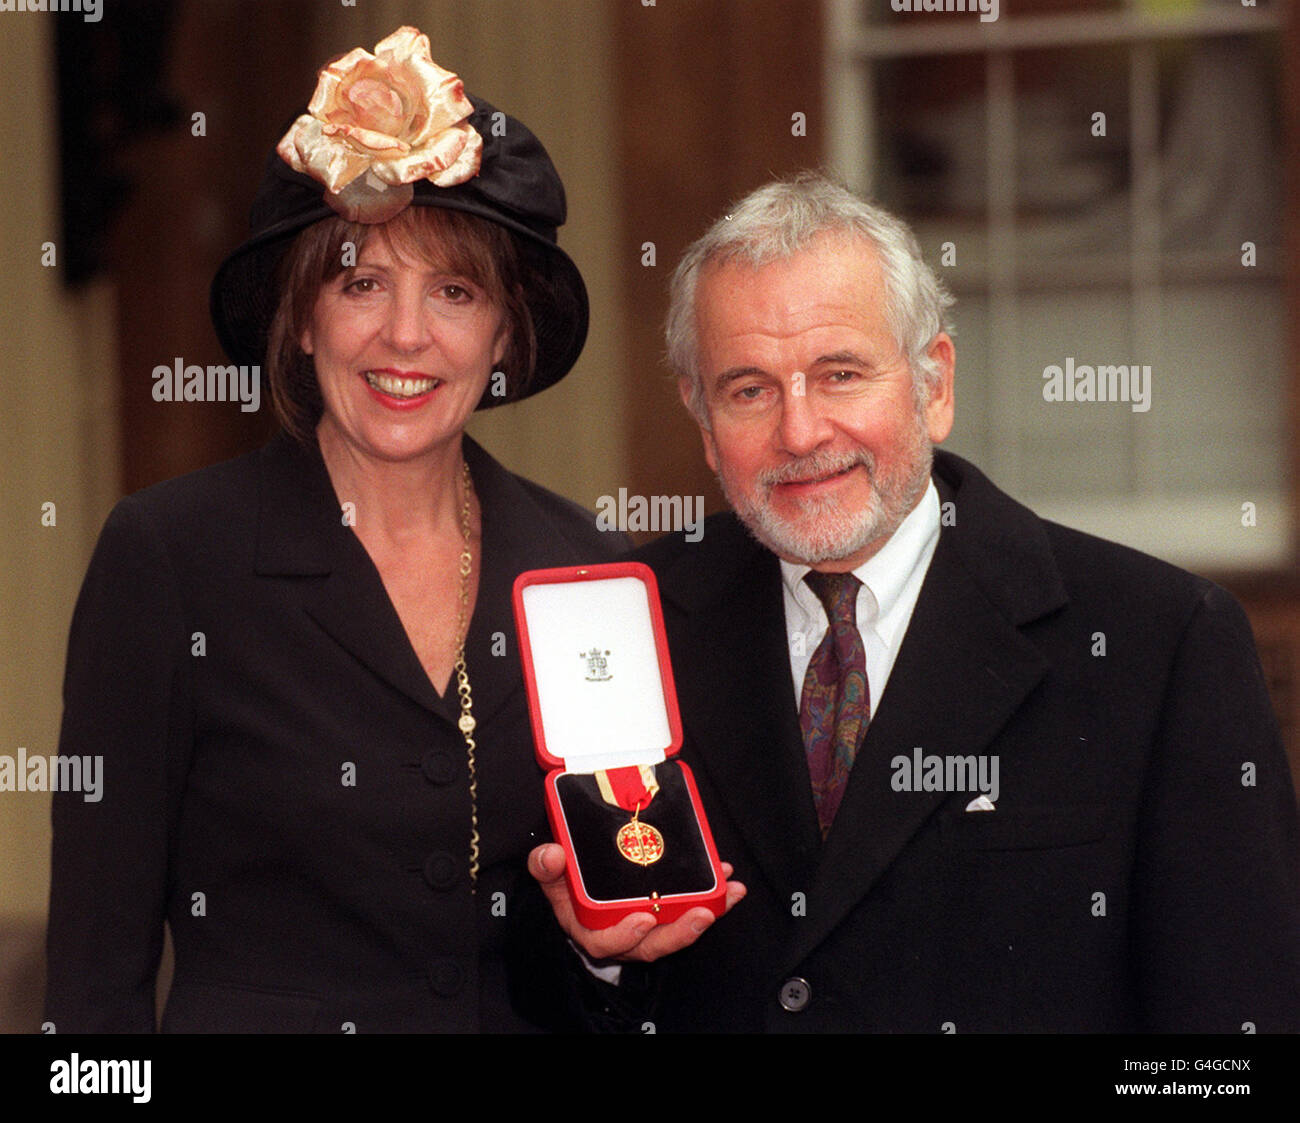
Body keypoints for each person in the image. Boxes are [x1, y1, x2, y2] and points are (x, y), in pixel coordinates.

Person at [531, 172, 1300, 1032]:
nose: (800, 431)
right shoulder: (626, 624)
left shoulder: (1159, 642)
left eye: (840, 373)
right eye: (750, 389)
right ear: (705, 423)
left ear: (934, 383)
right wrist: (599, 951)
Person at [44, 27, 625, 1033]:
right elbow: (95, 974)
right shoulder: (171, 558)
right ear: (301, 318)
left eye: (454, 291)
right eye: (361, 283)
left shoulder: (588, 571)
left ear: (501, 335)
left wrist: (607, 944)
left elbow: (628, 920)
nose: (406, 335)